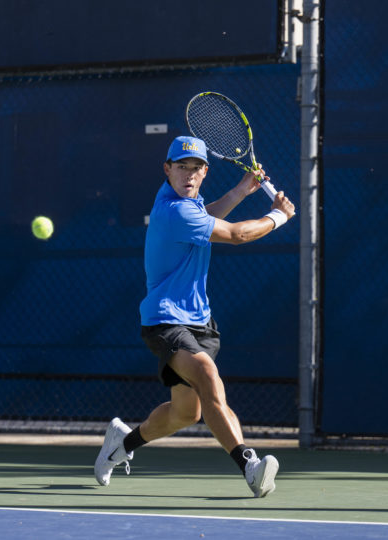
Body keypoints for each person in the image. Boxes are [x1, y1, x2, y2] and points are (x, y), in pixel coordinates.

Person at [94, 135, 295, 497]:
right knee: (207, 375)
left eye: (196, 167)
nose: (188, 174)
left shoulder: (190, 204)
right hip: (165, 320)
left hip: (200, 321)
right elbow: (236, 235)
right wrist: (278, 216)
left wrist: (241, 190)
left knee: (185, 413)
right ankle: (249, 466)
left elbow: (208, 216)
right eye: (181, 167)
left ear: (205, 172)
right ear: (167, 169)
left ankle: (121, 443)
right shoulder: (174, 210)